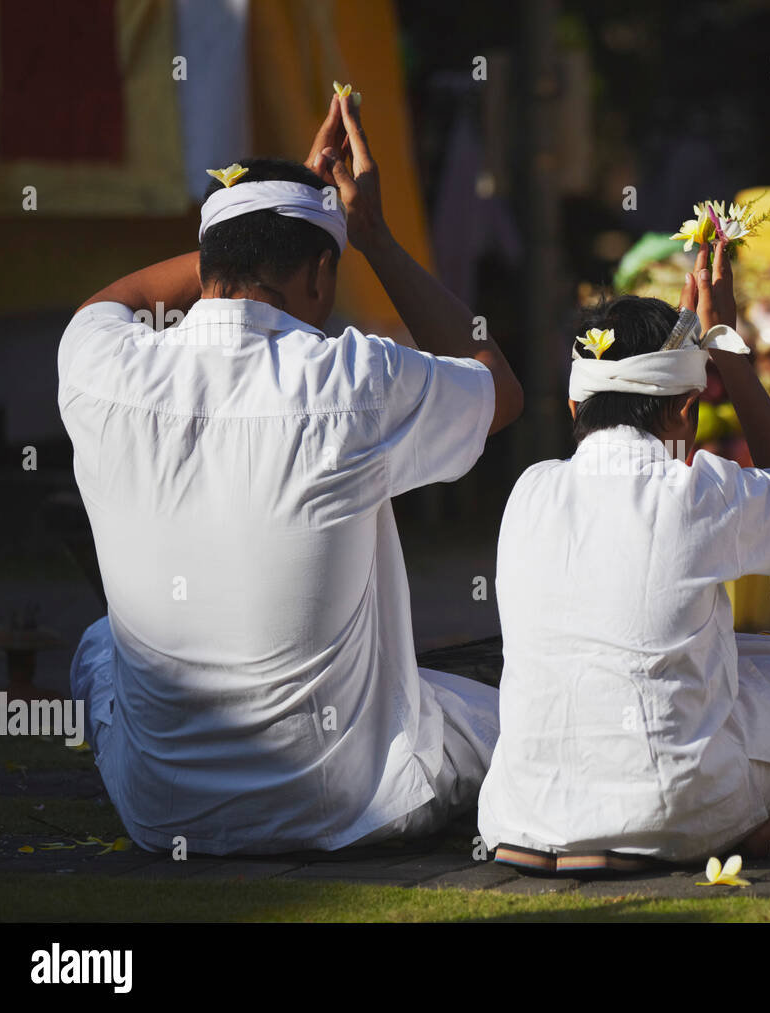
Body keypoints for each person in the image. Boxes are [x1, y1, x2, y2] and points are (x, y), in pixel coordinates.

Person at [58, 92, 523, 855]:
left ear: (207, 262)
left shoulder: (102, 368)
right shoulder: (354, 379)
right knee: (514, 719)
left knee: (101, 642)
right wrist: (370, 235)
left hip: (159, 810)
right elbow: (494, 382)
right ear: (319, 275)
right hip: (346, 800)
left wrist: (251, 222)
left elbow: (118, 299)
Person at [478, 238, 770, 872]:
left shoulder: (529, 490)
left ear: (576, 407)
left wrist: (690, 353)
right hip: (668, 814)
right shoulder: (699, 487)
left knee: (734, 657)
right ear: (687, 409)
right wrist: (728, 354)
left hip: (517, 818)